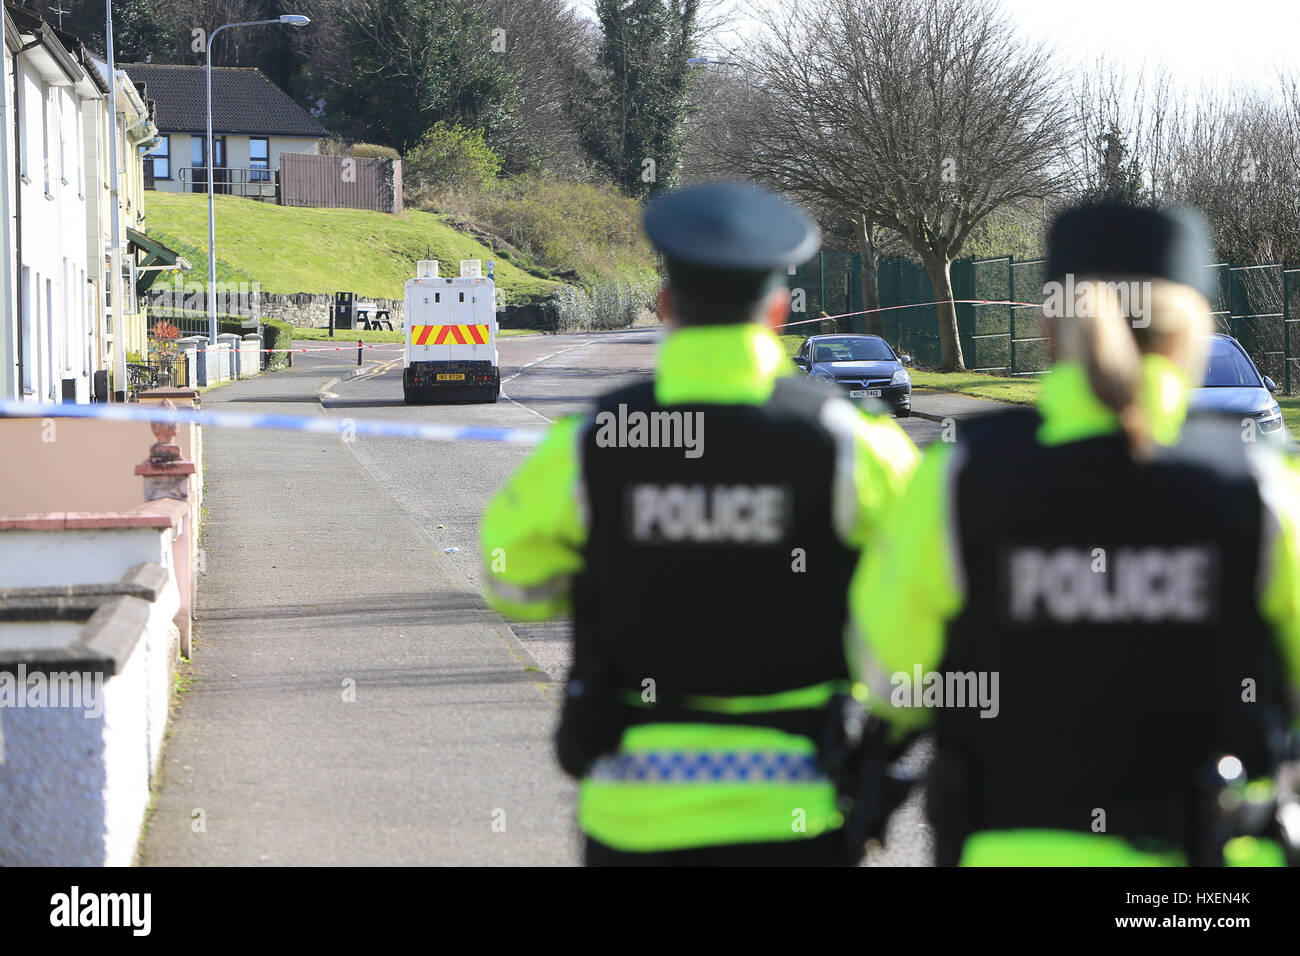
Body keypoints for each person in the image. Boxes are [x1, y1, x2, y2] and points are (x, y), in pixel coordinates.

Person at [480, 182, 919, 865]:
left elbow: (514, 586)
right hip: (796, 819)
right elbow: (924, 616)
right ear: (777, 309)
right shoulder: (853, 443)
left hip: (634, 821)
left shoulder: (593, 438)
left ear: (664, 307)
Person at [848, 202, 1300, 866]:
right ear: (1192, 332)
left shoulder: (958, 476)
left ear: (1049, 325)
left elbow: (890, 679)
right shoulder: (1264, 484)